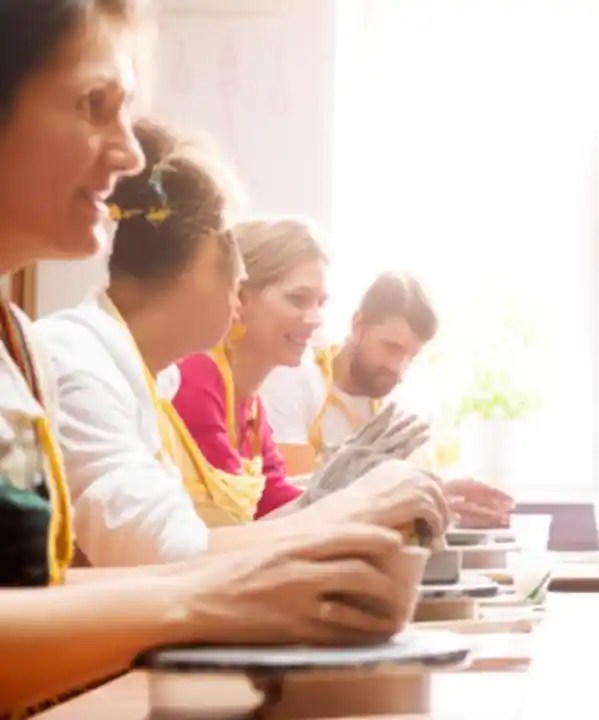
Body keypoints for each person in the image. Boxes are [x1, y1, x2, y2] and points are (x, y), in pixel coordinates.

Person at [0, 1, 421, 712]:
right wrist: (220, 593)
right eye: (93, 105)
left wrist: (254, 583)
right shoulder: (76, 355)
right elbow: (163, 555)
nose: (131, 154)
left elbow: (32, 590)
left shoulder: (20, 348)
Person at [37, 120, 450, 566]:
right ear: (195, 265)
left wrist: (322, 498)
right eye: (230, 258)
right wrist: (351, 505)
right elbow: (171, 556)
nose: (239, 281)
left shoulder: (151, 377)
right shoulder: (79, 362)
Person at [261, 271, 514, 527]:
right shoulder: (295, 378)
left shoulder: (391, 415)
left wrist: (442, 495)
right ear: (358, 326)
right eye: (392, 347)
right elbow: (294, 501)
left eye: (410, 356)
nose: (398, 367)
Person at [171, 217, 326, 518]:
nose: (315, 318)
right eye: (298, 299)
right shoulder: (195, 378)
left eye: (321, 303)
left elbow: (272, 498)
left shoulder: (251, 403)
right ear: (240, 297)